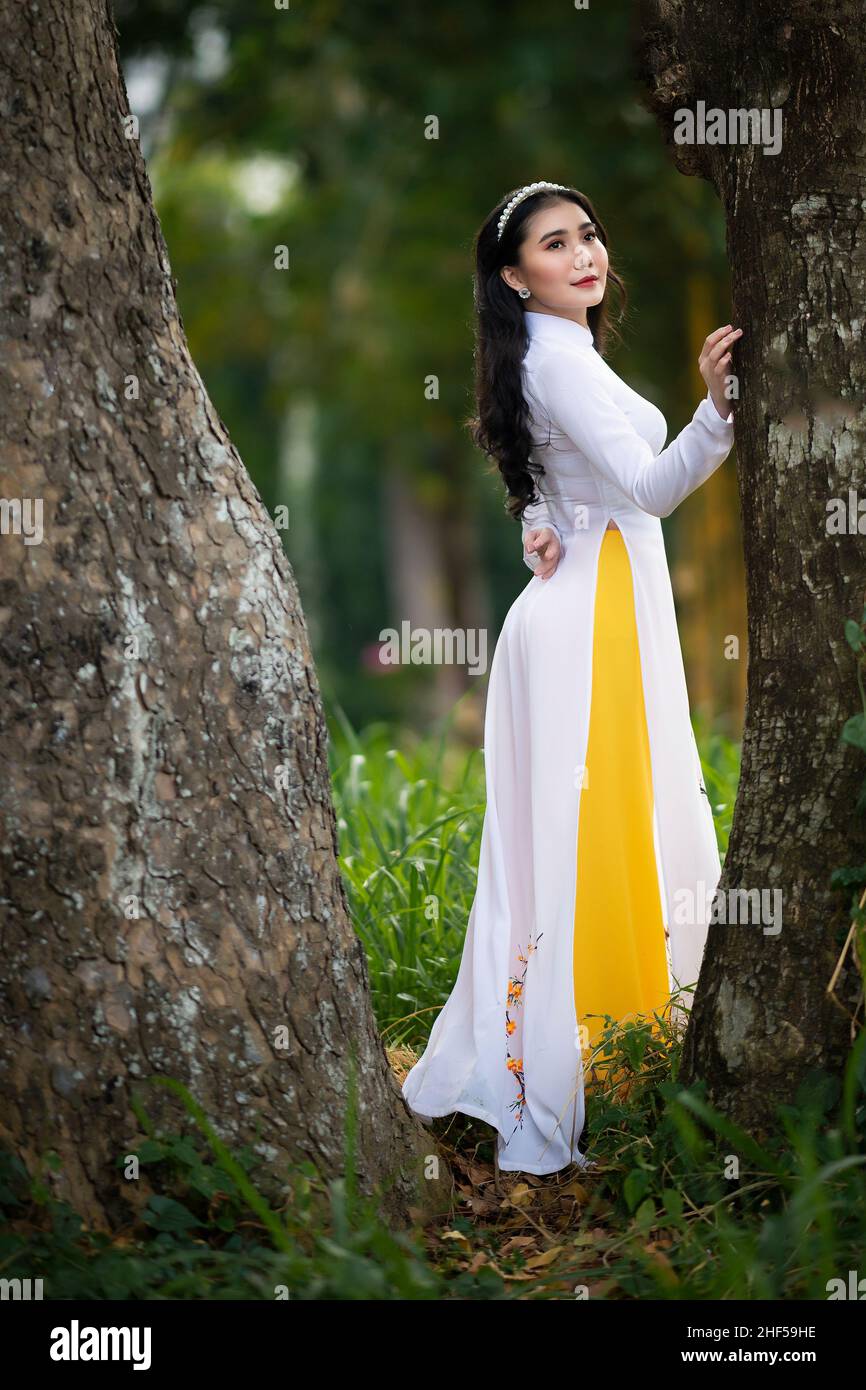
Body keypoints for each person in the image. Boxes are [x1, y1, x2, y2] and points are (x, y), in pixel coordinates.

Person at [402, 182, 738, 1175]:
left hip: (579, 615)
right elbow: (645, 489)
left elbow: (540, 480)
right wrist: (714, 414)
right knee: (588, 834)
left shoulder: (546, 354)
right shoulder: (560, 361)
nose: (584, 254)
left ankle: (591, 1041)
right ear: (515, 275)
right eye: (555, 244)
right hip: (589, 629)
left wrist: (531, 520)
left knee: (576, 839)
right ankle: (564, 1058)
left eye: (587, 233)